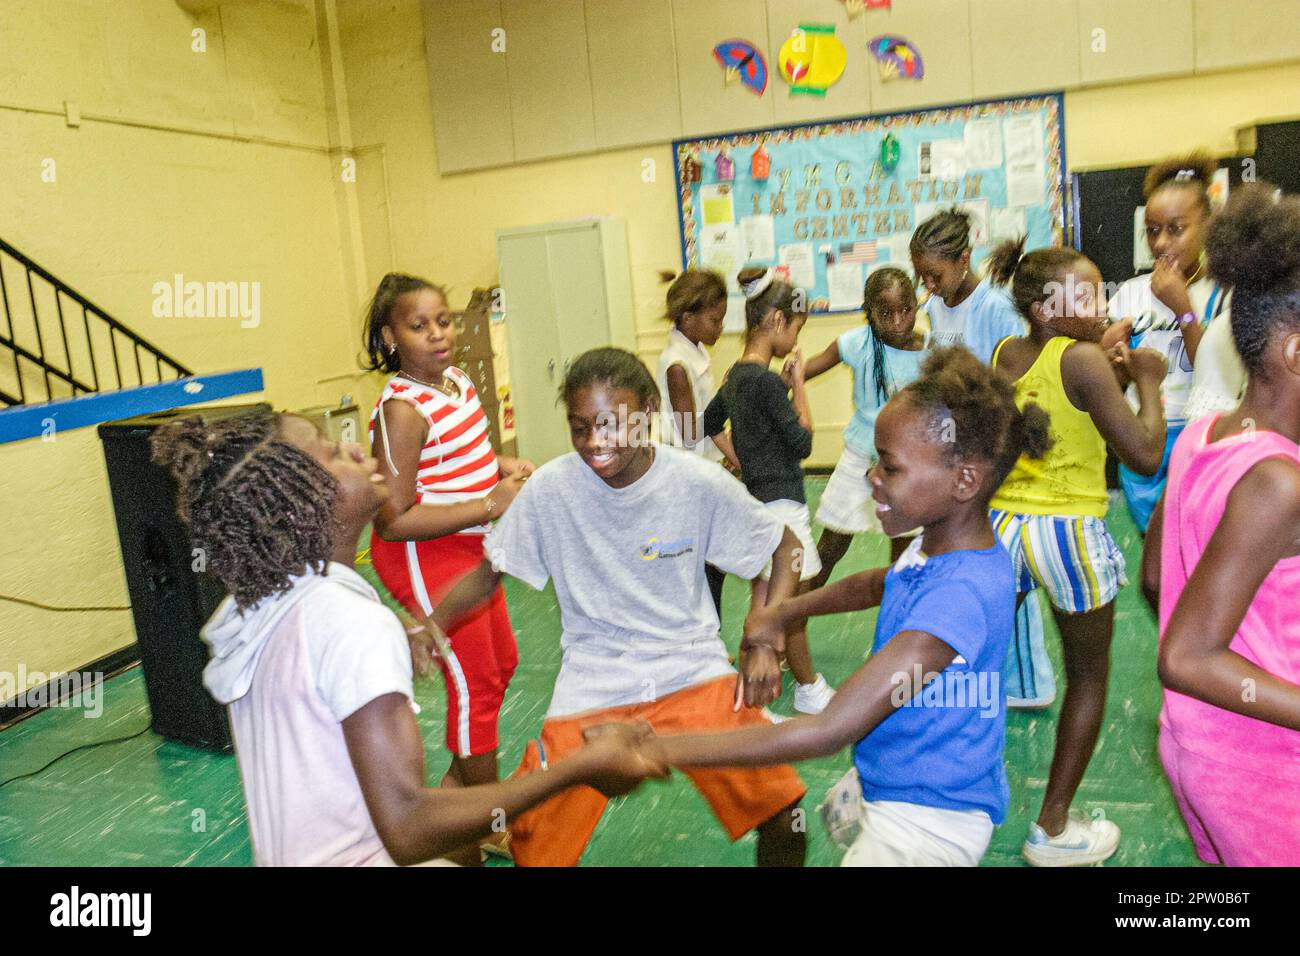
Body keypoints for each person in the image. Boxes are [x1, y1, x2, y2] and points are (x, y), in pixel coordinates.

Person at [150, 410, 663, 867]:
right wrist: (579, 769)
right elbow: (408, 827)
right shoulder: (349, 624)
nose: (356, 448)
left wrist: (395, 629)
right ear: (299, 502)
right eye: (332, 452)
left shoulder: (260, 605)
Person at [638, 347, 1048, 866]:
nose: (872, 475)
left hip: (925, 827)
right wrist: (785, 612)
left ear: (964, 480)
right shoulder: (940, 545)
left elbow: (827, 730)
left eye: (890, 467)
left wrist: (653, 748)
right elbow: (877, 584)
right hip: (910, 780)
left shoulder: (958, 596)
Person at [431, 347, 809, 866]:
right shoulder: (551, 490)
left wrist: (764, 636)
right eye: (579, 427)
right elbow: (487, 573)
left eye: (610, 423)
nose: (594, 442)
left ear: (649, 409)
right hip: (595, 679)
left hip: (690, 668)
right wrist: (428, 626)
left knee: (785, 813)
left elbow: (786, 547)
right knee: (534, 846)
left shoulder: (695, 483)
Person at [986, 238, 1168, 866]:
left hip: (1005, 526)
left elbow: (1060, 401)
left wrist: (1105, 365)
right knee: (1088, 677)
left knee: (969, 665)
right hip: (1068, 535)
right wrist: (1147, 383)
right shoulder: (1085, 359)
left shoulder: (1006, 353)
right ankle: (1052, 829)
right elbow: (1144, 455)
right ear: (1045, 308)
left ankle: (939, 796)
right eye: (1086, 297)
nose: (1102, 306)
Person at [1147, 183, 1300, 865]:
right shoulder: (1278, 482)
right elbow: (1186, 656)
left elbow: (1159, 579)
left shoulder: (1203, 435)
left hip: (1201, 749)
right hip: (1266, 768)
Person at [361, 273, 534, 862]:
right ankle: (487, 817)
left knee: (501, 663)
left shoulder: (456, 381)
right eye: (419, 326)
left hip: (473, 545)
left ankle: (456, 805)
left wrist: (502, 468)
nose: (437, 334)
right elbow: (392, 520)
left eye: (443, 321)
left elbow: (467, 454)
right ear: (391, 338)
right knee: (474, 682)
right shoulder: (402, 410)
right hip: (425, 554)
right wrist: (489, 504)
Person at [910, 208, 1054, 708]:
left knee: (1005, 568)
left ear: (964, 259)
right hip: (958, 458)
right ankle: (978, 665)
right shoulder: (937, 309)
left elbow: (1017, 386)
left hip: (994, 454)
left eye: (935, 274)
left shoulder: (994, 308)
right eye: (921, 276)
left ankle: (1029, 683)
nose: (927, 286)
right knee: (966, 565)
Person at [702, 267, 834, 715]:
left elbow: (709, 422)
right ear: (777, 321)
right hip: (784, 509)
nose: (795, 340)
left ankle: (754, 697)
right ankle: (808, 688)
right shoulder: (767, 382)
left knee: (766, 603)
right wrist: (798, 386)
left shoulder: (738, 377)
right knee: (789, 606)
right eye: (795, 329)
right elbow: (803, 442)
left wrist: (742, 461)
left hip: (759, 501)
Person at [1098, 154, 1241, 533]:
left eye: (1176, 230)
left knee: (1195, 542)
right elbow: (1112, 383)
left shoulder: (1225, 295)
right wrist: (1108, 356)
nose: (1161, 243)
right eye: (1152, 230)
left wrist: (1183, 309)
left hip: (1200, 439)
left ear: (1208, 225)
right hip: (1142, 438)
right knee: (1154, 548)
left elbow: (1217, 376)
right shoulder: (1129, 294)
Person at [801, 266, 930, 580]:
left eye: (906, 310)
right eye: (886, 313)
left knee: (904, 554)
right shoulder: (856, 343)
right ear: (870, 312)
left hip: (909, 463)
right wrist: (764, 384)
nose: (898, 322)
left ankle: (897, 608)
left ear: (916, 306)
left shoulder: (930, 349)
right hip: (860, 456)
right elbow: (803, 372)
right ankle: (797, 608)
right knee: (830, 546)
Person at [655, 269, 741, 619]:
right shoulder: (677, 365)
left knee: (712, 563)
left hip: (702, 467)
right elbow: (691, 431)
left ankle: (708, 631)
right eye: (715, 320)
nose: (720, 327)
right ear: (688, 318)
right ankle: (703, 633)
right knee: (701, 566)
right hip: (686, 475)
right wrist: (727, 396)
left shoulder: (694, 351)